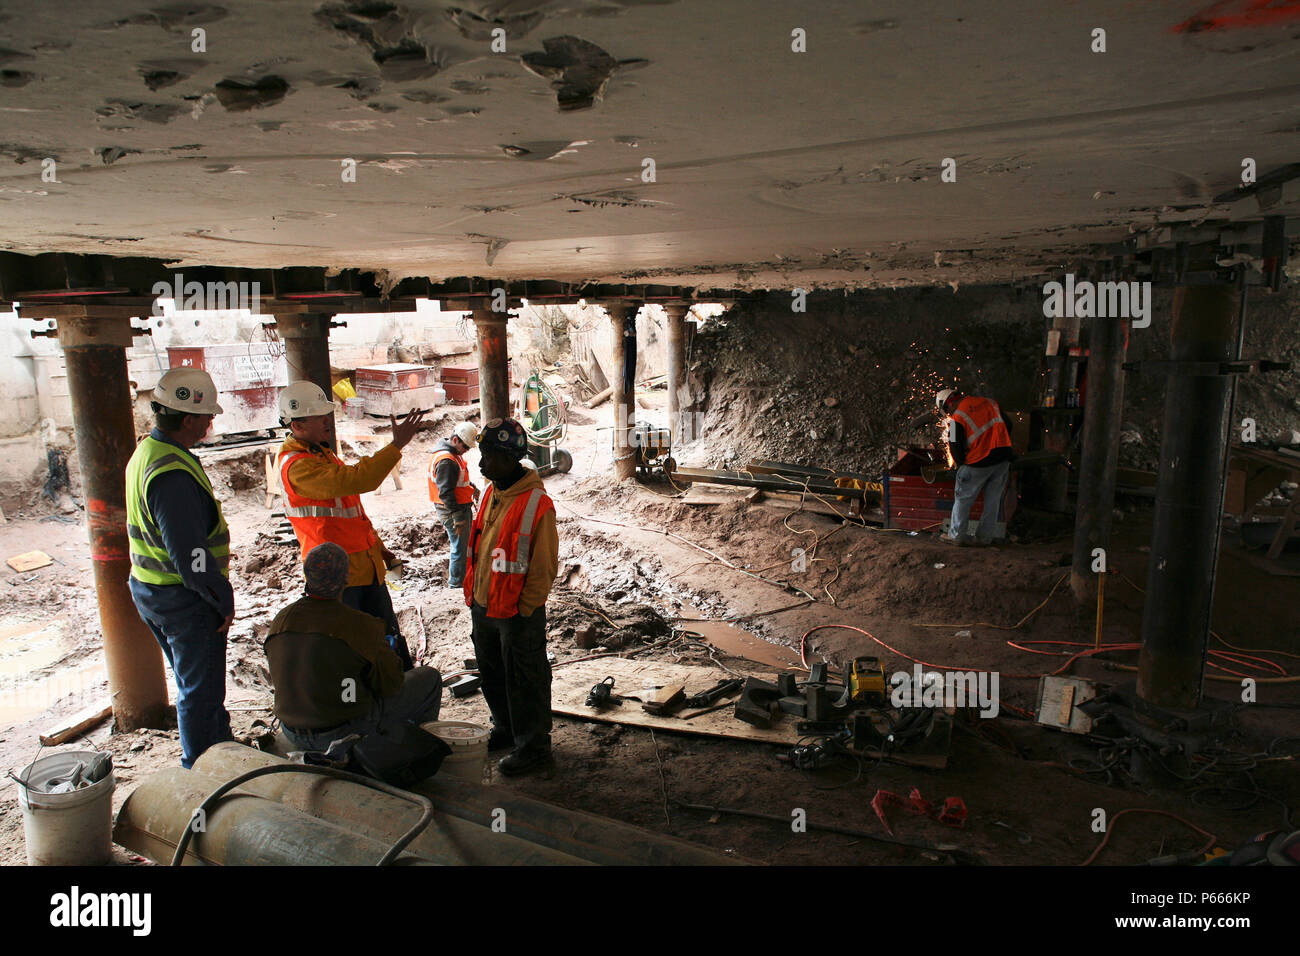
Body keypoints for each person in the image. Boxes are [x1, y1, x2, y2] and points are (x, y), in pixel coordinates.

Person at [126, 368, 235, 768]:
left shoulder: (149, 453)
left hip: (151, 589)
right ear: (188, 419)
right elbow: (190, 559)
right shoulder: (172, 474)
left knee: (198, 682)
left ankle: (223, 748)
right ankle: (203, 769)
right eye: (207, 415)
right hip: (183, 598)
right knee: (200, 691)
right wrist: (222, 599)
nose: (211, 421)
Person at [276, 381, 424, 669]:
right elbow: (358, 480)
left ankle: (401, 699)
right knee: (354, 652)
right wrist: (395, 446)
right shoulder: (298, 466)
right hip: (336, 578)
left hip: (364, 569)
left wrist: (382, 553)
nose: (326, 420)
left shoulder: (321, 454)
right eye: (319, 415)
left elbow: (354, 517)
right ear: (297, 423)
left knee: (386, 642)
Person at [266, 542, 443, 756]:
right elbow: (391, 684)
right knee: (429, 679)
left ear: (307, 576)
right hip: (341, 730)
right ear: (346, 578)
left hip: (290, 729)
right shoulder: (359, 625)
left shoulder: (281, 619)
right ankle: (412, 753)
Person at [464, 418, 559, 776]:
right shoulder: (492, 492)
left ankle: (534, 747)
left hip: (517, 612)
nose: (481, 463)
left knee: (525, 678)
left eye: (488, 456)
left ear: (509, 459)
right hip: (484, 603)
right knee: (492, 673)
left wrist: (525, 608)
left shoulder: (537, 504)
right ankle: (505, 729)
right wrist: (475, 595)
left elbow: (543, 567)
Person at [936, 387, 1014, 546]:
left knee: (963, 499)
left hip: (979, 461)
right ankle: (984, 538)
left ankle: (956, 536)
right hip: (1003, 459)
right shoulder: (989, 403)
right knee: (993, 500)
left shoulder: (958, 418)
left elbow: (955, 447)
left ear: (948, 405)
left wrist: (960, 465)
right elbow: (1009, 425)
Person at [428, 421, 481, 589]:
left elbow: (456, 480)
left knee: (462, 545)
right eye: (465, 446)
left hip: (457, 507)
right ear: (456, 439)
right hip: (453, 509)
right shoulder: (447, 461)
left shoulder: (452, 455)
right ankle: (457, 583)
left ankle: (461, 579)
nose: (467, 450)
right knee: (460, 546)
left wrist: (472, 487)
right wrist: (457, 515)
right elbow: (445, 492)